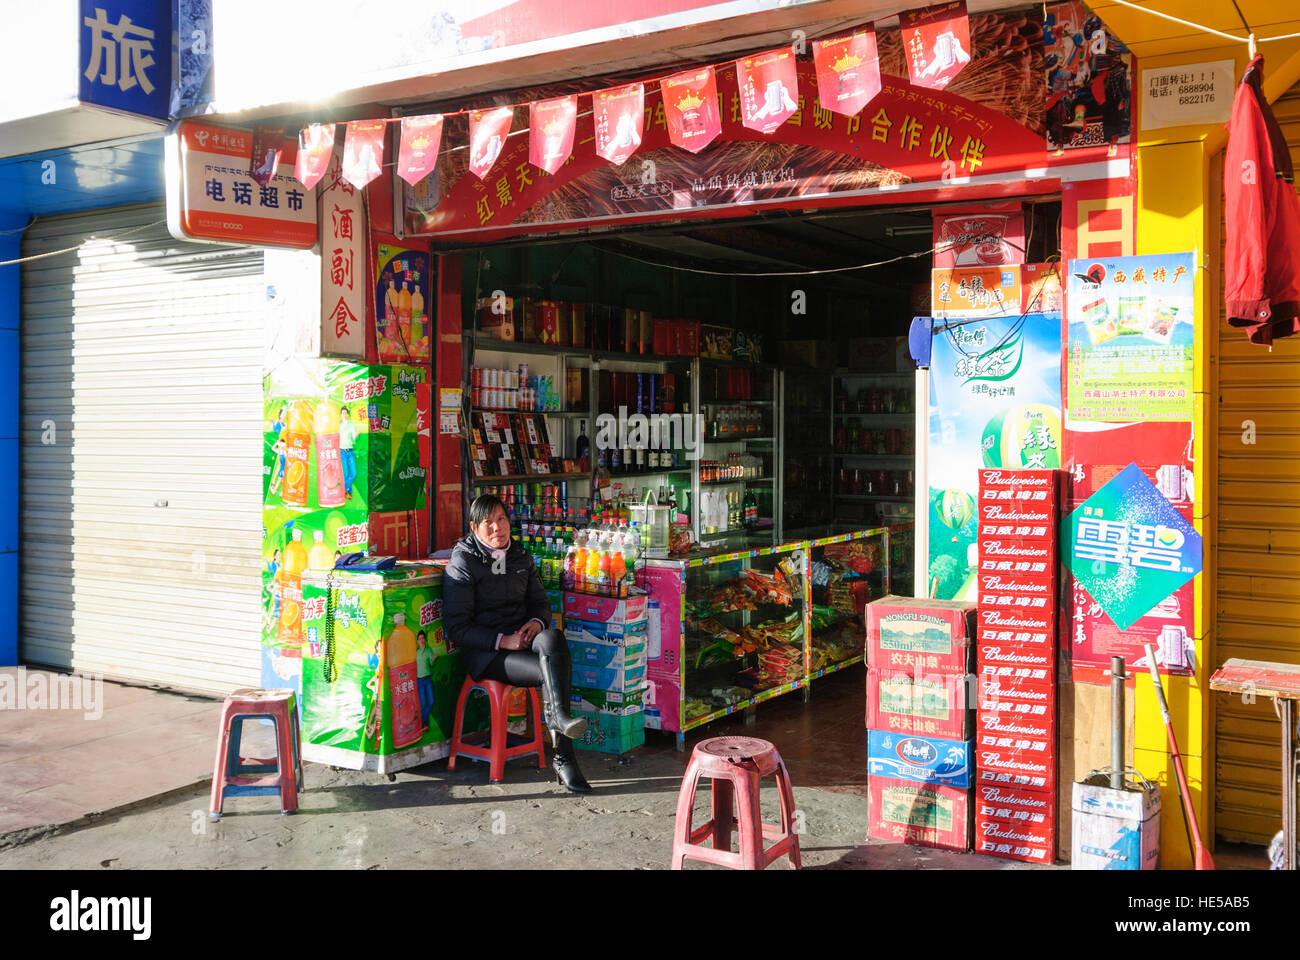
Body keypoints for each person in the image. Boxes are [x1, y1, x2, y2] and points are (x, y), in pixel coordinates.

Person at [443, 493, 591, 793]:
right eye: (489, 523)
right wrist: (502, 640)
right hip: (487, 653)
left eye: (501, 519)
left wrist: (535, 624)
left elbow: (540, 604)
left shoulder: (519, 556)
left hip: (522, 640)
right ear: (475, 528)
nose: (497, 528)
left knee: (553, 638)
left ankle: (560, 719)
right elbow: (457, 628)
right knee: (552, 671)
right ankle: (564, 758)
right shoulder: (464, 561)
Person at [415, 628, 435, 729]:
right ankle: (425, 725)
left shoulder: (429, 650)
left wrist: (433, 659)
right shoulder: (416, 653)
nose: (421, 640)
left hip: (427, 679)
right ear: (417, 641)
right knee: (423, 704)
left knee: (431, 702)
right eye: (420, 638)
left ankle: (421, 721)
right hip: (419, 680)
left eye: (423, 638)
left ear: (425, 640)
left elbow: (431, 663)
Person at [339, 405, 358, 500]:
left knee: (354, 473)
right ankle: (349, 492)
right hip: (342, 451)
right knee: (346, 474)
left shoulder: (351, 424)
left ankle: (345, 489)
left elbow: (353, 439)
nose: (344, 414)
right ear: (340, 415)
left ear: (348, 414)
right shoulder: (339, 425)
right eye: (343, 413)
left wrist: (356, 435)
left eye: (346, 413)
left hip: (350, 451)